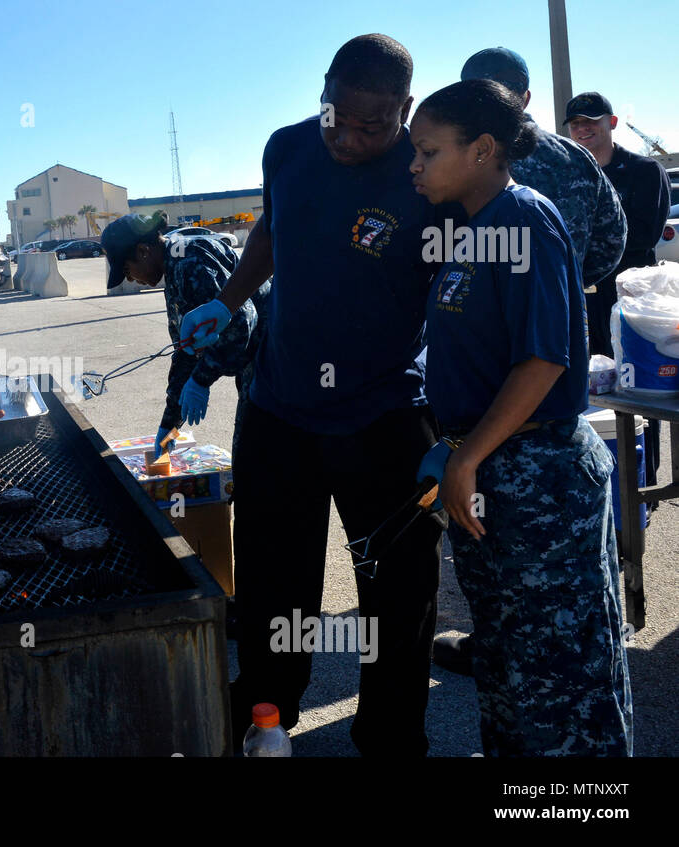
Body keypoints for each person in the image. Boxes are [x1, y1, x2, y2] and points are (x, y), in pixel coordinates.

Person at [181, 34, 442, 756]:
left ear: (405, 111)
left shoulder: (424, 169)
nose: (351, 138)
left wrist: (454, 424)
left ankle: (390, 733)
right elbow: (271, 227)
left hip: (384, 411)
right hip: (280, 407)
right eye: (339, 116)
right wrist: (230, 300)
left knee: (397, 587)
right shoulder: (287, 147)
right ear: (323, 90)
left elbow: (456, 291)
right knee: (271, 581)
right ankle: (267, 713)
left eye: (373, 125)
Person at [409, 78, 632, 756]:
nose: (413, 165)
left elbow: (544, 361)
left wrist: (468, 454)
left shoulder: (523, 220)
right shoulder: (475, 229)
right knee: (508, 667)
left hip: (542, 483)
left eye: (427, 151)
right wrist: (454, 446)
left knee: (564, 676)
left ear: (482, 149)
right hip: (495, 479)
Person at [567, 91, 671, 502]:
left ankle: (644, 483)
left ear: (611, 123)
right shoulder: (572, 173)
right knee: (590, 389)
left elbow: (644, 236)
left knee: (639, 387)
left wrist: (592, 244)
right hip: (584, 298)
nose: (583, 129)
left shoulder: (644, 171)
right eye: (576, 124)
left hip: (631, 301)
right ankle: (599, 481)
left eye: (592, 121)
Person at [100, 212, 269, 457]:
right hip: (255, 361)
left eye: (126, 269)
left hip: (272, 357)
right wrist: (169, 426)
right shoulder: (174, 267)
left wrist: (201, 380)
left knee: (255, 455)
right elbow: (186, 353)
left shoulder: (189, 264)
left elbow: (241, 323)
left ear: (143, 251)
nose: (129, 278)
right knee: (252, 454)